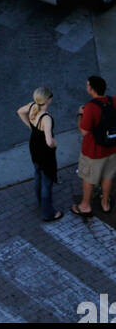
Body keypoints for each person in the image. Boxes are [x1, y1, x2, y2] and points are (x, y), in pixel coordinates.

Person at [72, 75, 116, 217]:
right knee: (108, 177)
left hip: (94, 152)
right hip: (112, 149)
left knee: (89, 178)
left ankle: (85, 206)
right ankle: (105, 203)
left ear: (91, 89)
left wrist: (80, 115)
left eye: (87, 85)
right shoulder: (114, 101)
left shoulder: (90, 107)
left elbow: (84, 131)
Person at [17, 87, 62, 222]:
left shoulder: (31, 106)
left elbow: (19, 111)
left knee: (37, 174)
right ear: (48, 100)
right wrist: (55, 143)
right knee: (47, 181)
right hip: (45, 151)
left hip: (34, 146)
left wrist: (31, 127)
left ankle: (40, 202)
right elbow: (49, 142)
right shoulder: (46, 118)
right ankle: (47, 213)